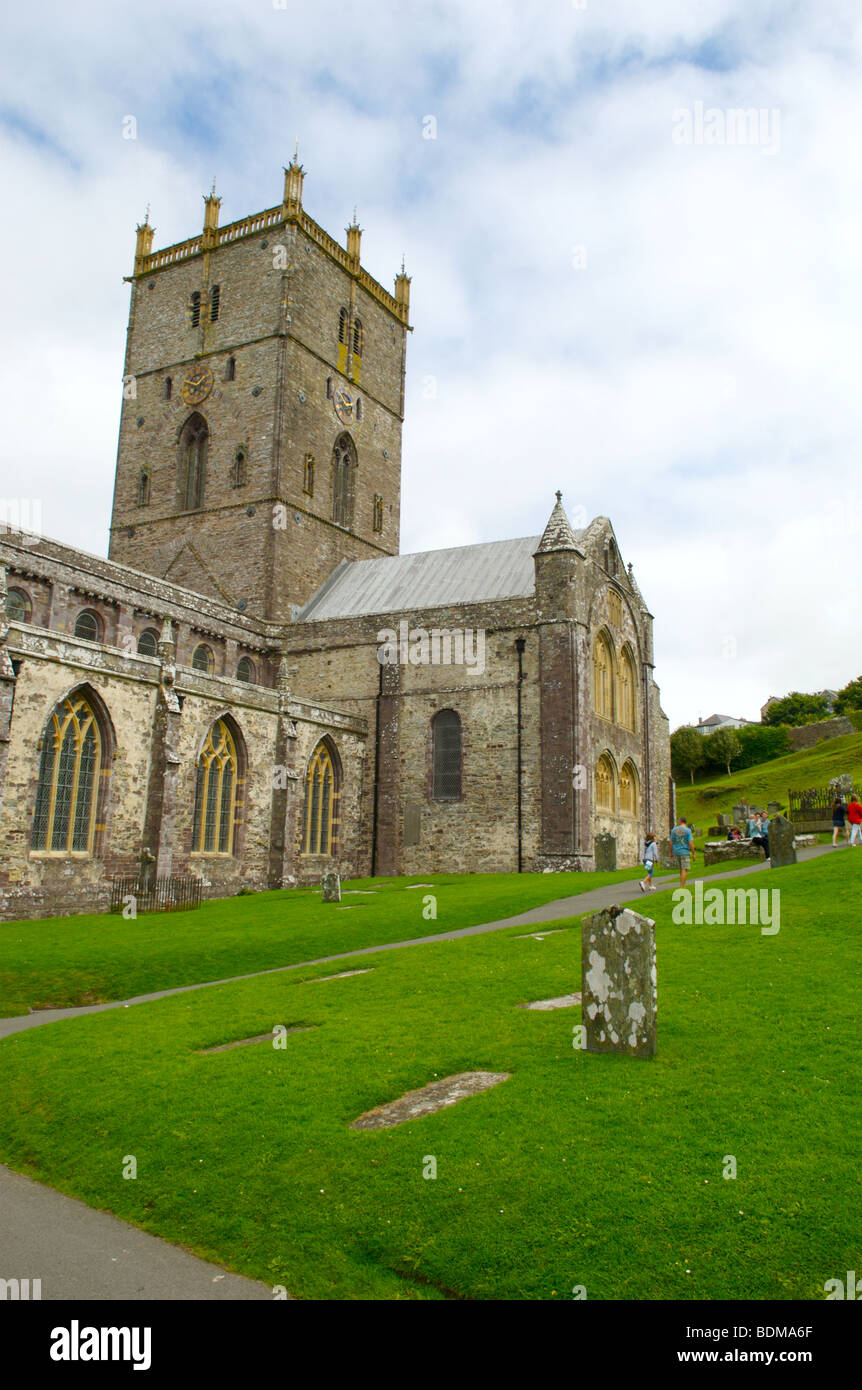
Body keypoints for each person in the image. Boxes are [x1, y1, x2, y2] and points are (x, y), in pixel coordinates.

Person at [670, 817, 695, 886]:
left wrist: (671, 852)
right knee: (684, 869)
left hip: (676, 851)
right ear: (685, 822)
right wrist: (693, 853)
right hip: (685, 852)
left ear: (680, 821)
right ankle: (682, 886)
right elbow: (690, 843)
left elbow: (671, 842)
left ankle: (681, 884)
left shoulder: (674, 830)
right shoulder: (688, 830)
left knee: (681, 869)